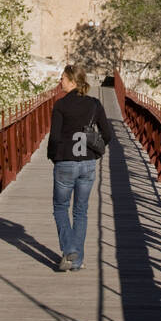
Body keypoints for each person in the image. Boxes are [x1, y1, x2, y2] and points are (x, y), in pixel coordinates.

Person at [46, 64, 113, 272]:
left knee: (60, 208)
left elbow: (55, 138)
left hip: (65, 162)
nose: (60, 82)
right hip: (87, 163)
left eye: (63, 79)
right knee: (81, 211)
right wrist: (95, 152)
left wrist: (53, 157)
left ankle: (69, 249)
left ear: (73, 82)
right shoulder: (94, 104)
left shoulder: (60, 105)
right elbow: (108, 134)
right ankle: (76, 260)